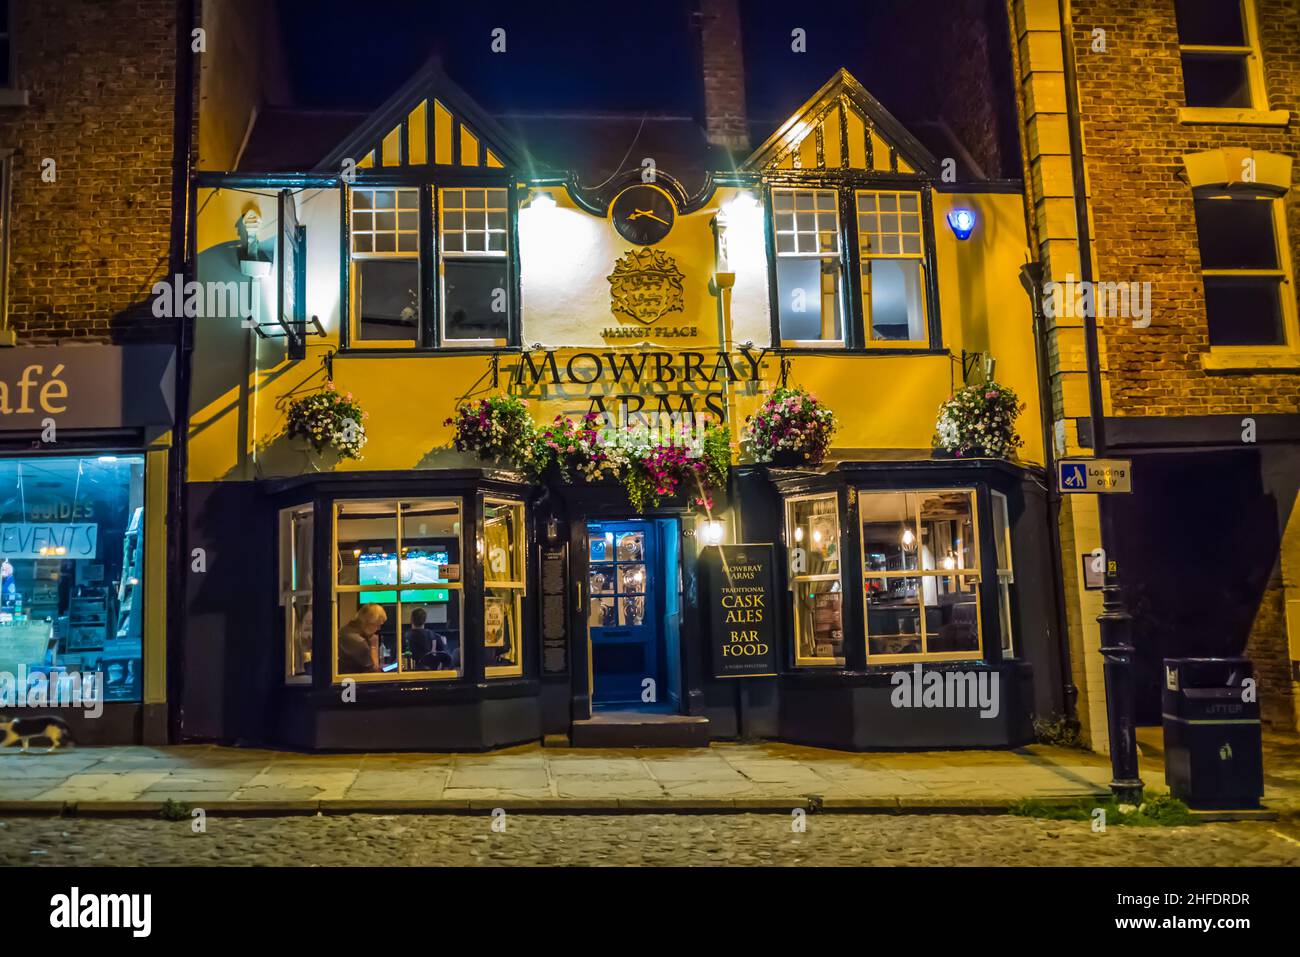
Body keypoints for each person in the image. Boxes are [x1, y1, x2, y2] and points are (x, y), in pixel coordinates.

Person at [337, 603, 387, 674]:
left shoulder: (345, 630)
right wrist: (373, 646)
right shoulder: (359, 641)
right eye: (378, 625)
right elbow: (374, 674)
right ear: (368, 623)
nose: (379, 628)